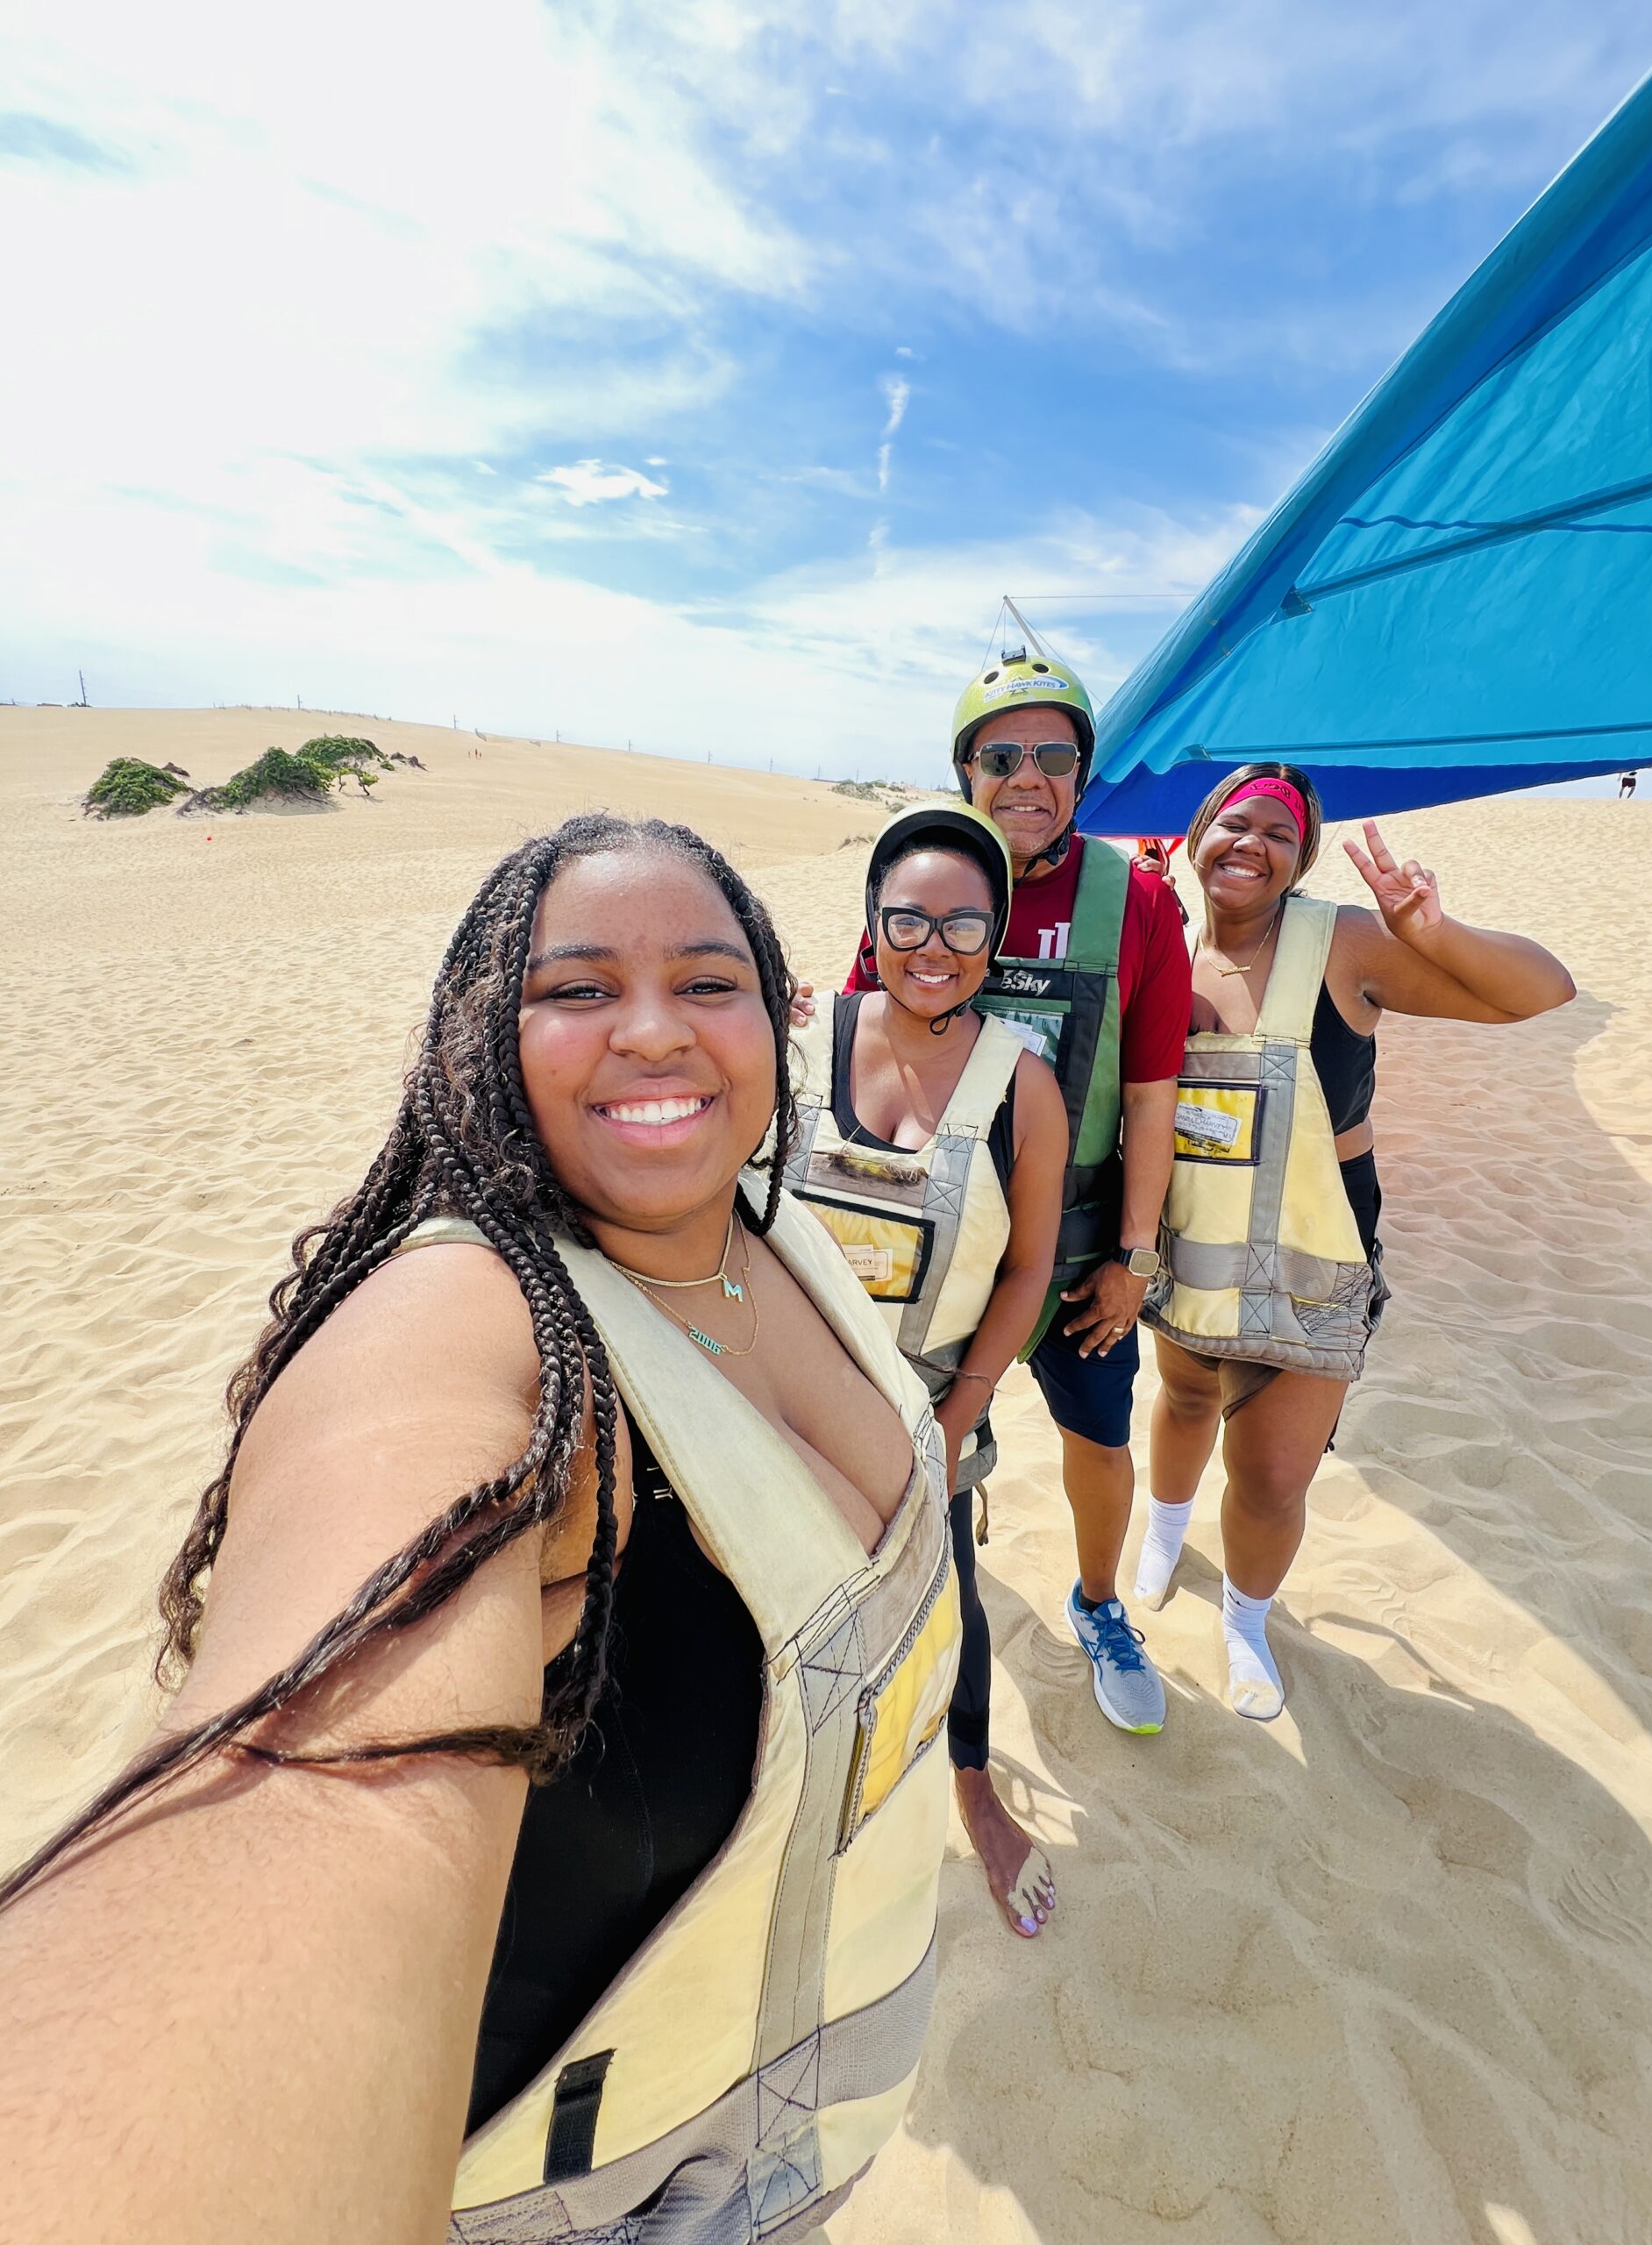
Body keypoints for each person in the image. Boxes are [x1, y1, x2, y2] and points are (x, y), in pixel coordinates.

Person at [0, 816, 960, 2245]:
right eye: (575, 990)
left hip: (793, 2130)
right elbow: (285, 1816)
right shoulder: (478, 1335)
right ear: (476, 1043)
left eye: (709, 983)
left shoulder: (771, 1232)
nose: (652, 1033)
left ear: (783, 1015)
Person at [1136, 766, 1576, 1720]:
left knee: (1272, 1472)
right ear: (1200, 831)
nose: (1251, 844)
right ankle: (1163, 1535)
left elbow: (1541, 992)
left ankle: (1247, 1621)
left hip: (1319, 1236)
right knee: (1183, 1395)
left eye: (1278, 835)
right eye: (1234, 824)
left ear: (1301, 860)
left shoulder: (1341, 945)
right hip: (1192, 1230)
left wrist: (1433, 933)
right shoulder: (1161, 945)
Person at [825, 651, 1193, 1736]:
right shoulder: (926, 883)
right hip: (930, 1241)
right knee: (912, 1425)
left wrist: (1132, 1257)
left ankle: (1098, 1600)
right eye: (1001, 755)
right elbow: (860, 1042)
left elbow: (1153, 1092)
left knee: (1099, 1437)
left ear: (1084, 774)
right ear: (964, 769)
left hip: (1075, 1251)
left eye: (1054, 755)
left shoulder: (1137, 904)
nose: (1027, 776)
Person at [787, 804, 1068, 1939]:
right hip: (782, 1407)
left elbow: (1031, 1266)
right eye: (908, 917)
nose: (933, 943)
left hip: (925, 1418)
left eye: (962, 922)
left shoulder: (1022, 1089)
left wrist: (957, 1418)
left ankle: (971, 1787)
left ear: (995, 939)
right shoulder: (799, 1041)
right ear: (873, 922)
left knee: (943, 1601)